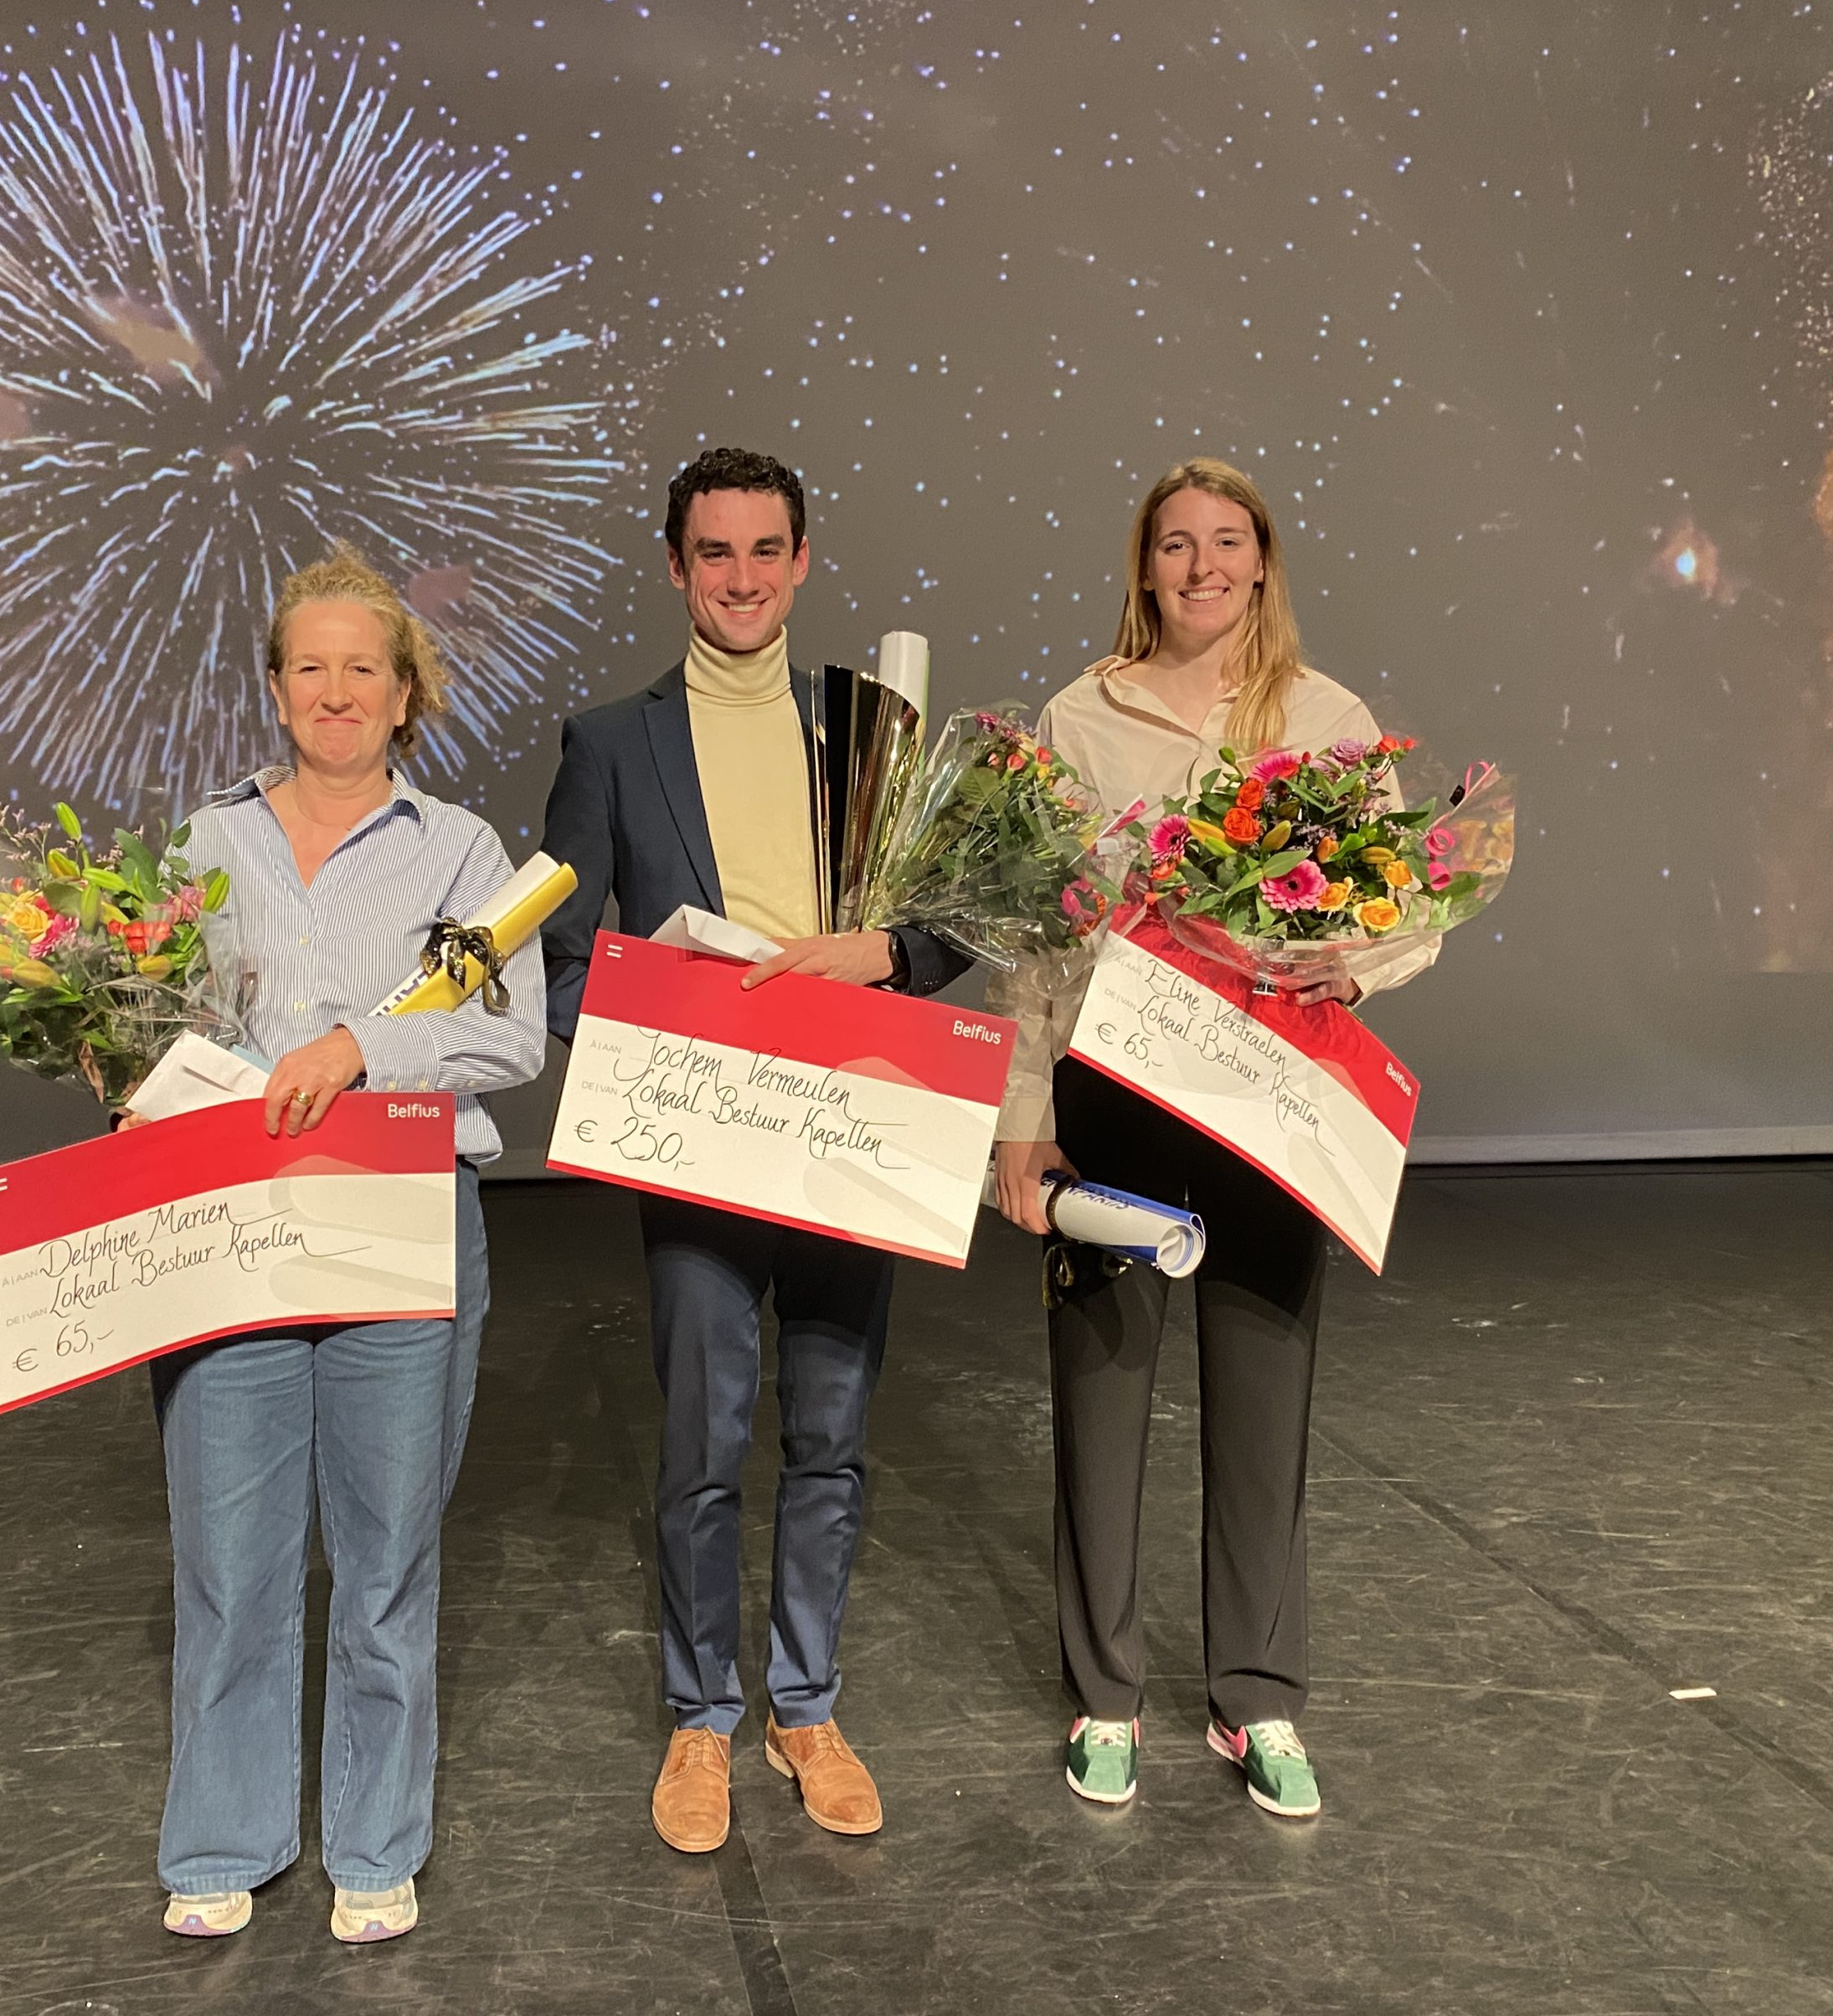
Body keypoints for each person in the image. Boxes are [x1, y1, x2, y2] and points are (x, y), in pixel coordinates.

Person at [991, 459, 1434, 1822]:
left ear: (1262, 563)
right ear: (1145, 568)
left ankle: (1257, 1701)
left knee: (1263, 1408)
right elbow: (1034, 938)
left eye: (1224, 543)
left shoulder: (1327, 717)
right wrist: (1024, 1122)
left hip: (1262, 1104)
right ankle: (1105, 1696)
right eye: (1173, 545)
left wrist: (1353, 970)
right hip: (1119, 1097)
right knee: (1103, 1404)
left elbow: (1404, 905)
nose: (1200, 566)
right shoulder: (1079, 715)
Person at [540, 446, 965, 1854]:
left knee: (832, 1440)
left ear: (801, 561)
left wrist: (883, 951)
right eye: (713, 553)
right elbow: (555, 967)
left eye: (765, 551)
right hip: (706, 1147)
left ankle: (807, 1702)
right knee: (704, 1445)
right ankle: (700, 1717)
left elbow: (970, 914)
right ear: (676, 566)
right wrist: (650, 1014)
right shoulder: (609, 743)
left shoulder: (873, 723)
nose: (741, 577)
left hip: (854, 1126)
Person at [131, 546, 543, 1941]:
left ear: (407, 692)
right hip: (230, 1231)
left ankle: (375, 1840)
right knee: (232, 1556)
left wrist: (361, 1044)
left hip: (403, 1224)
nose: (337, 689)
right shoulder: (203, 843)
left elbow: (506, 1032)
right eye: (310, 665)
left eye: (364, 665)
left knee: (384, 1554)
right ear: (275, 686)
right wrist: (126, 1067)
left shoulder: (466, 853)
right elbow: (142, 1018)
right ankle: (223, 1838)